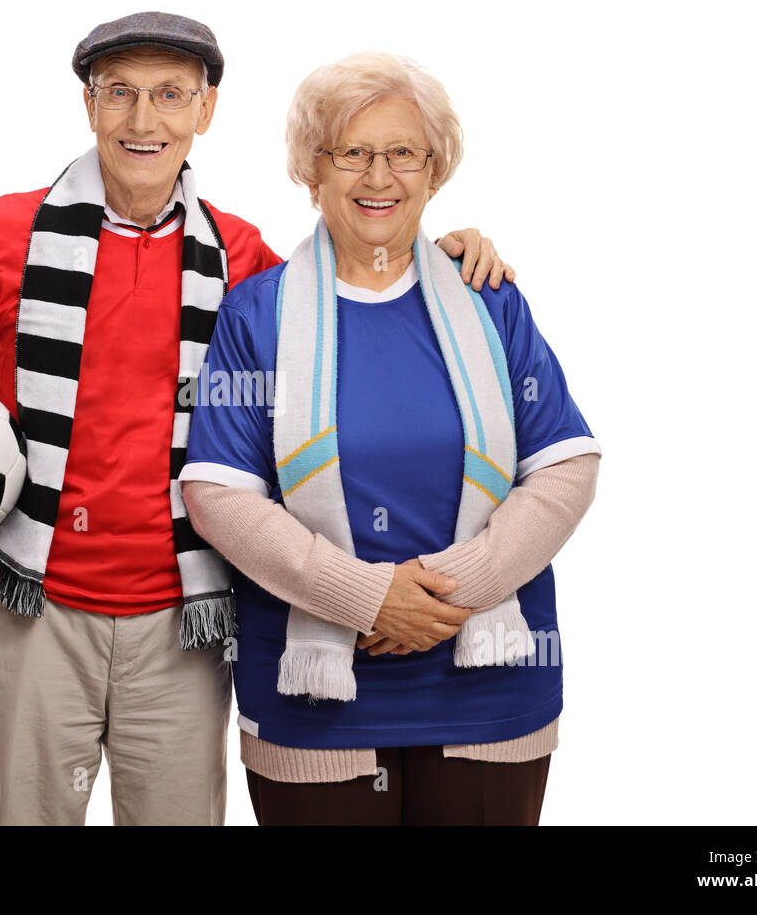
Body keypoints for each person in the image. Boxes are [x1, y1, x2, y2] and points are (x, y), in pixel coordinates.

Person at [0, 14, 515, 826]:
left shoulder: (243, 257)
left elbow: (355, 303)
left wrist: (441, 254)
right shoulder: (3, 236)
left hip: (188, 628)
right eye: (122, 95)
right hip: (29, 617)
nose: (145, 122)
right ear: (89, 105)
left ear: (206, 110)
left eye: (171, 95)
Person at [180, 51, 600, 825]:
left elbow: (566, 468)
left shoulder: (489, 300)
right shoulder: (257, 314)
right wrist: (369, 600)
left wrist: (448, 593)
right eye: (353, 152)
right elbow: (218, 497)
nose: (380, 176)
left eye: (404, 152)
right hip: (313, 702)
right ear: (313, 169)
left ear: (434, 171)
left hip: (490, 693)